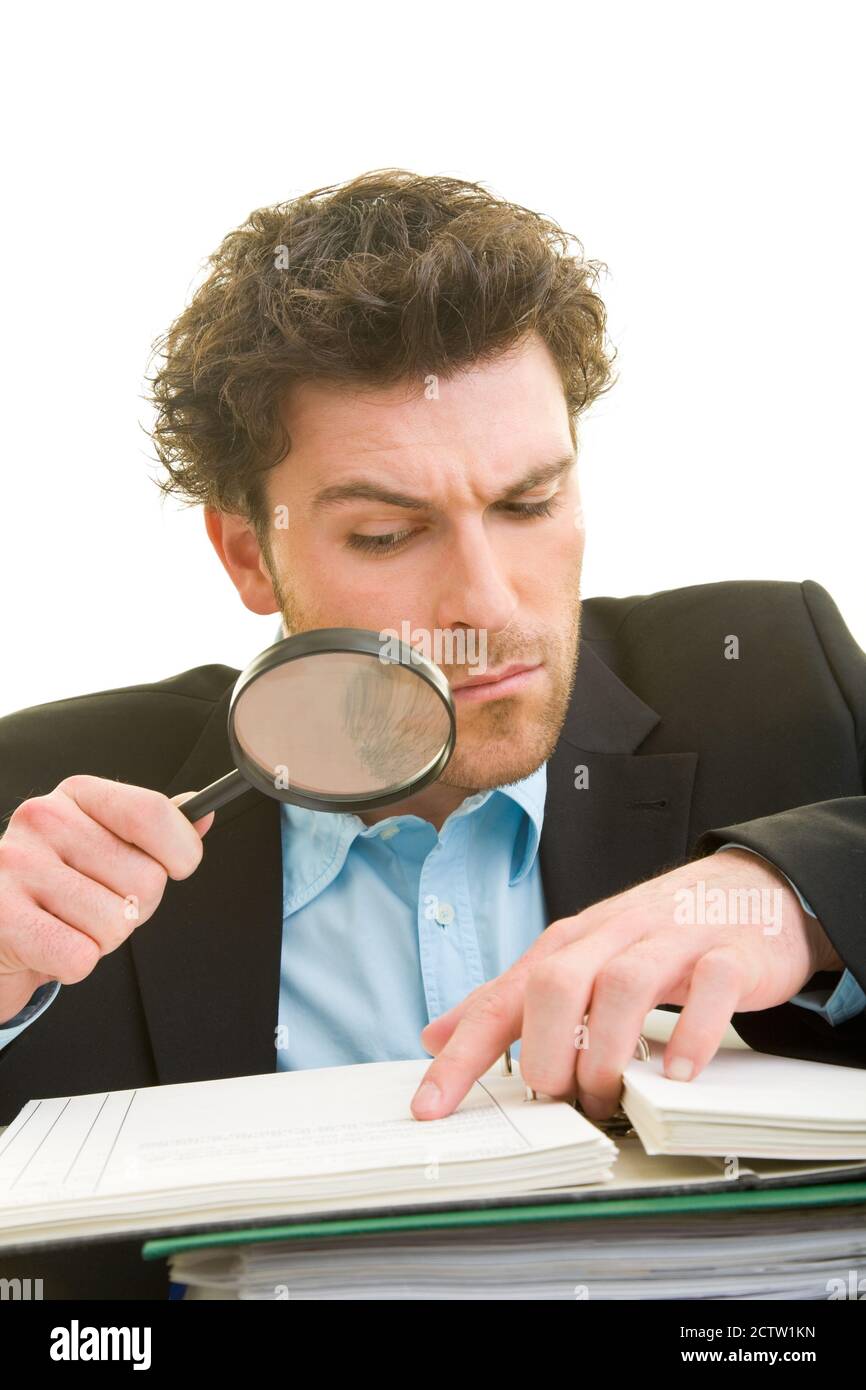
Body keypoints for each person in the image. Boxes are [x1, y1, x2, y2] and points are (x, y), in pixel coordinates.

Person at [1, 169, 864, 1134]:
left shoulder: (786, 679)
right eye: (386, 535)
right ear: (250, 554)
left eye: (529, 504)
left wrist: (799, 898)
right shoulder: (37, 814)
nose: (488, 606)